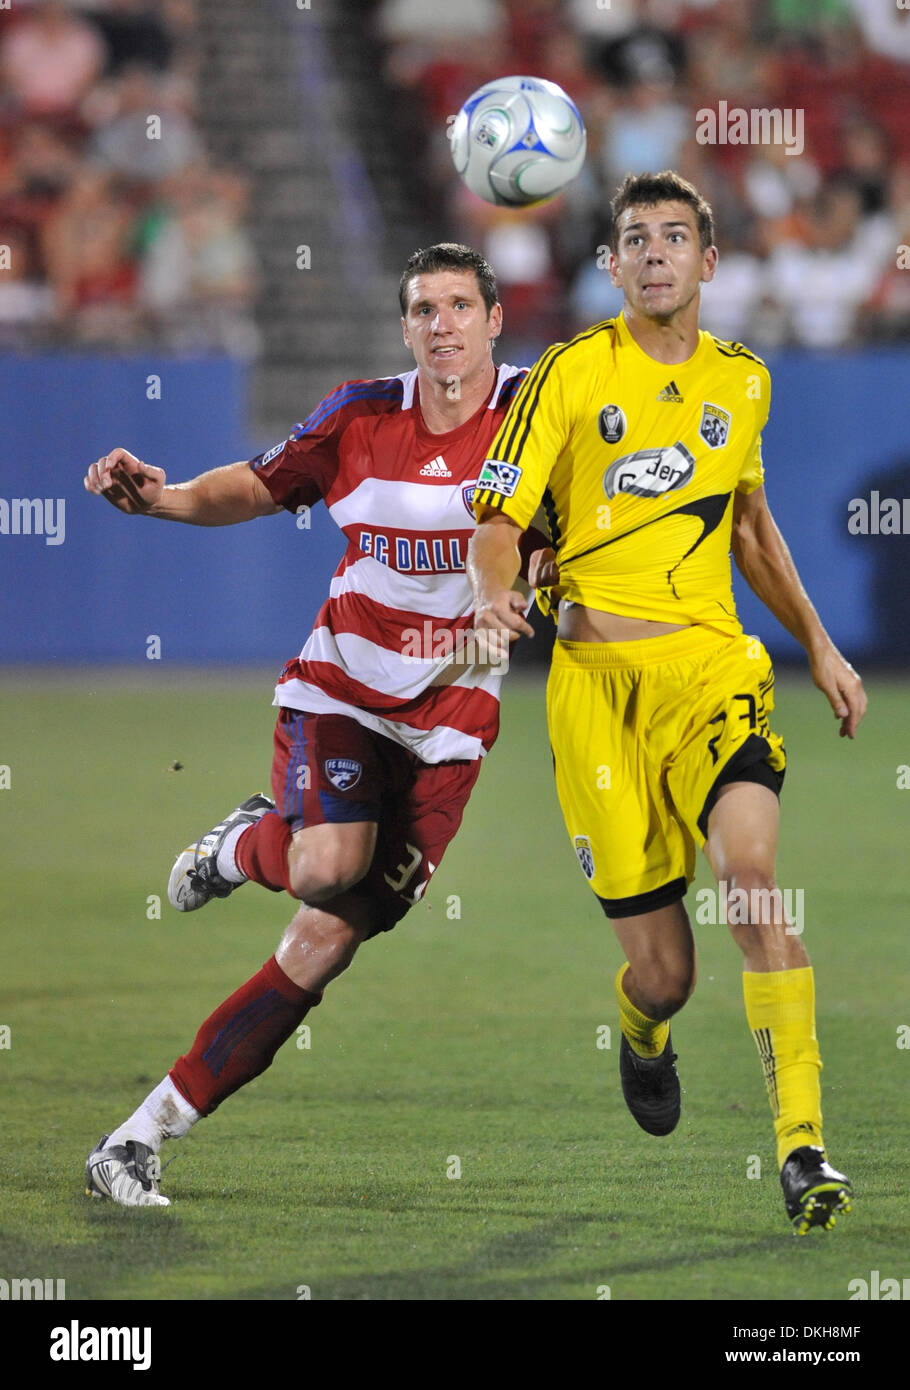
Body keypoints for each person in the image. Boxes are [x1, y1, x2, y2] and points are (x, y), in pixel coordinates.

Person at [81, 242, 546, 1207]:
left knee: (323, 942)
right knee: (330, 864)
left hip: (452, 729)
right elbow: (255, 486)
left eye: (461, 305)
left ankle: (137, 1138)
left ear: (496, 320)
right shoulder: (360, 414)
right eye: (424, 308)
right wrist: (161, 497)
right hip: (344, 691)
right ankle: (254, 843)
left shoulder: (544, 417)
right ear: (406, 325)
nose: (442, 325)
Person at [467, 171, 867, 1235]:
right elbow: (499, 515)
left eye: (674, 236)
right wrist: (494, 591)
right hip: (594, 695)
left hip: (710, 677)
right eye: (634, 238)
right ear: (608, 266)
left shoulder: (743, 382)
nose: (653, 253)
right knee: (665, 972)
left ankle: (800, 1146)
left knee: (749, 878)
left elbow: (748, 529)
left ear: (708, 261)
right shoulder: (564, 372)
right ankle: (641, 1030)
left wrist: (820, 649)